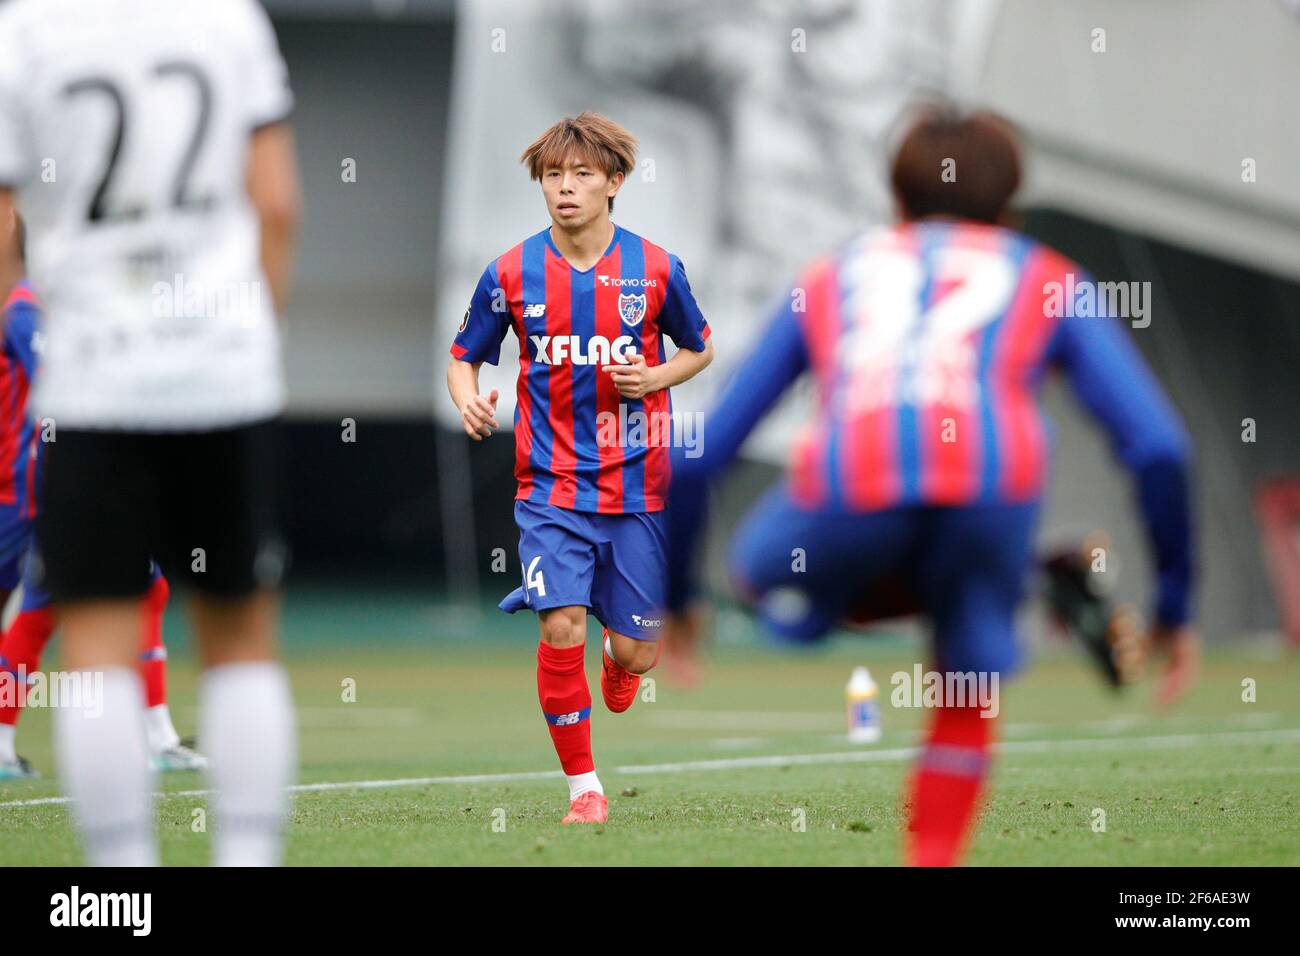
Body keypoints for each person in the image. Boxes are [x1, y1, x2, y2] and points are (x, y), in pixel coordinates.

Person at [665, 107, 1198, 866]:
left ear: (896, 196)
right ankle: (1022, 585)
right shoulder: (1049, 278)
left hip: (856, 491)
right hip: (994, 493)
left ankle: (1007, 580)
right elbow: (1160, 448)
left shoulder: (830, 275)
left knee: (758, 583)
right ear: (1011, 202)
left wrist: (676, 599)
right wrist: (1176, 606)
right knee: (965, 680)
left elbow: (695, 458)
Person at [0, 0, 302, 866]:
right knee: (241, 634)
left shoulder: (26, 32)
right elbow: (276, 203)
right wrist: (250, 343)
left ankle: (120, 878)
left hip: (93, 380)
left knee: (95, 640)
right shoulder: (228, 20)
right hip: (223, 374)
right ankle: (247, 854)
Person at [447, 112, 714, 824]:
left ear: (614, 182)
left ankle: (620, 661)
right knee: (560, 624)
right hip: (549, 487)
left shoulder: (656, 268)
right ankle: (584, 790)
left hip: (637, 490)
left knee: (637, 655)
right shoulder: (511, 270)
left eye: (582, 175)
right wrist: (470, 401)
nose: (565, 189)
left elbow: (699, 348)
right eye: (553, 176)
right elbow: (463, 355)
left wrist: (655, 379)